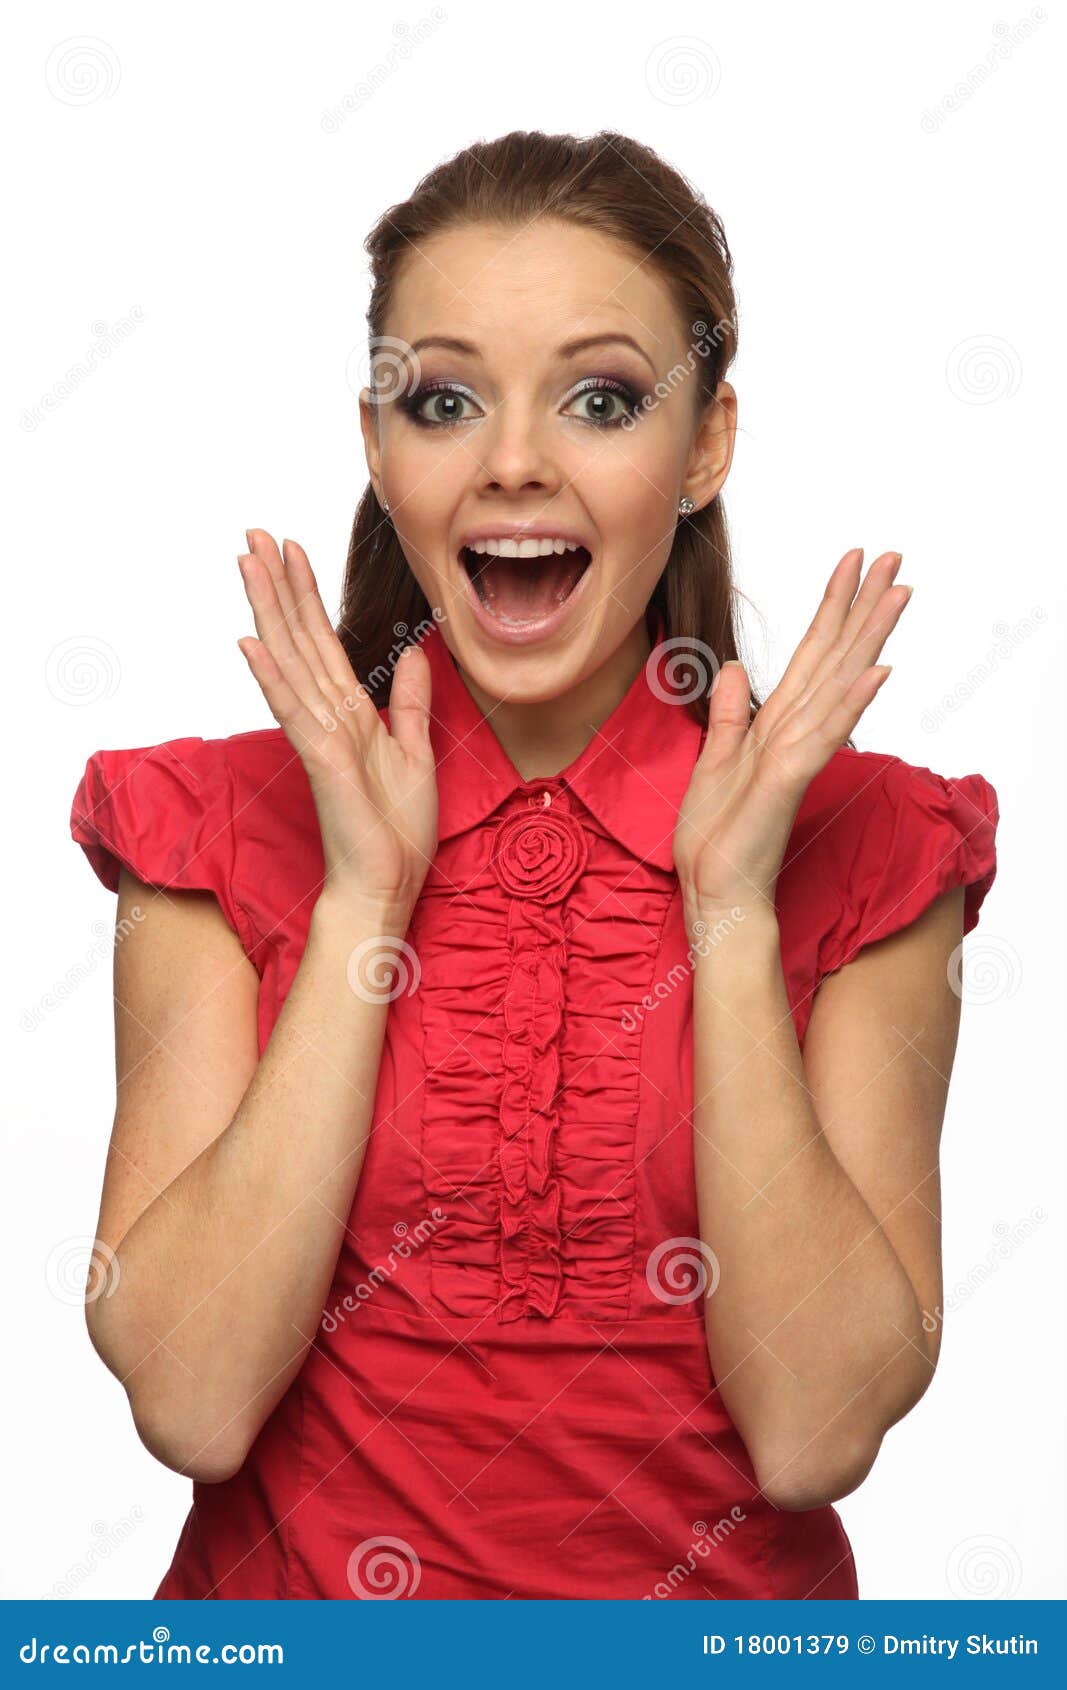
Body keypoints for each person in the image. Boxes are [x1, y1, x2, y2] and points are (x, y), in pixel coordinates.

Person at [69, 130, 998, 1600]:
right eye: (443, 401)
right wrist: (363, 898)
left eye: (601, 399)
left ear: (705, 446)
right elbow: (193, 1400)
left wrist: (732, 909)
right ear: (378, 449)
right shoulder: (211, 824)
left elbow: (815, 1430)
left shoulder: (872, 844)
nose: (513, 461)